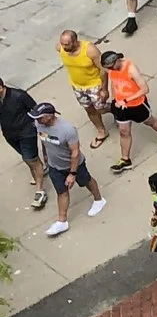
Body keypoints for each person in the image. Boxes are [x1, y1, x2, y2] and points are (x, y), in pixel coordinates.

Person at [31, 101, 105, 237]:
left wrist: (72, 173)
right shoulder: (39, 125)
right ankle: (62, 221)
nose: (37, 120)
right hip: (55, 166)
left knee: (86, 181)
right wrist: (46, 156)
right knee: (61, 192)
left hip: (73, 165)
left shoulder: (67, 130)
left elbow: (75, 152)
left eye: (39, 117)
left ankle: (99, 199)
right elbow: (43, 140)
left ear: (49, 116)